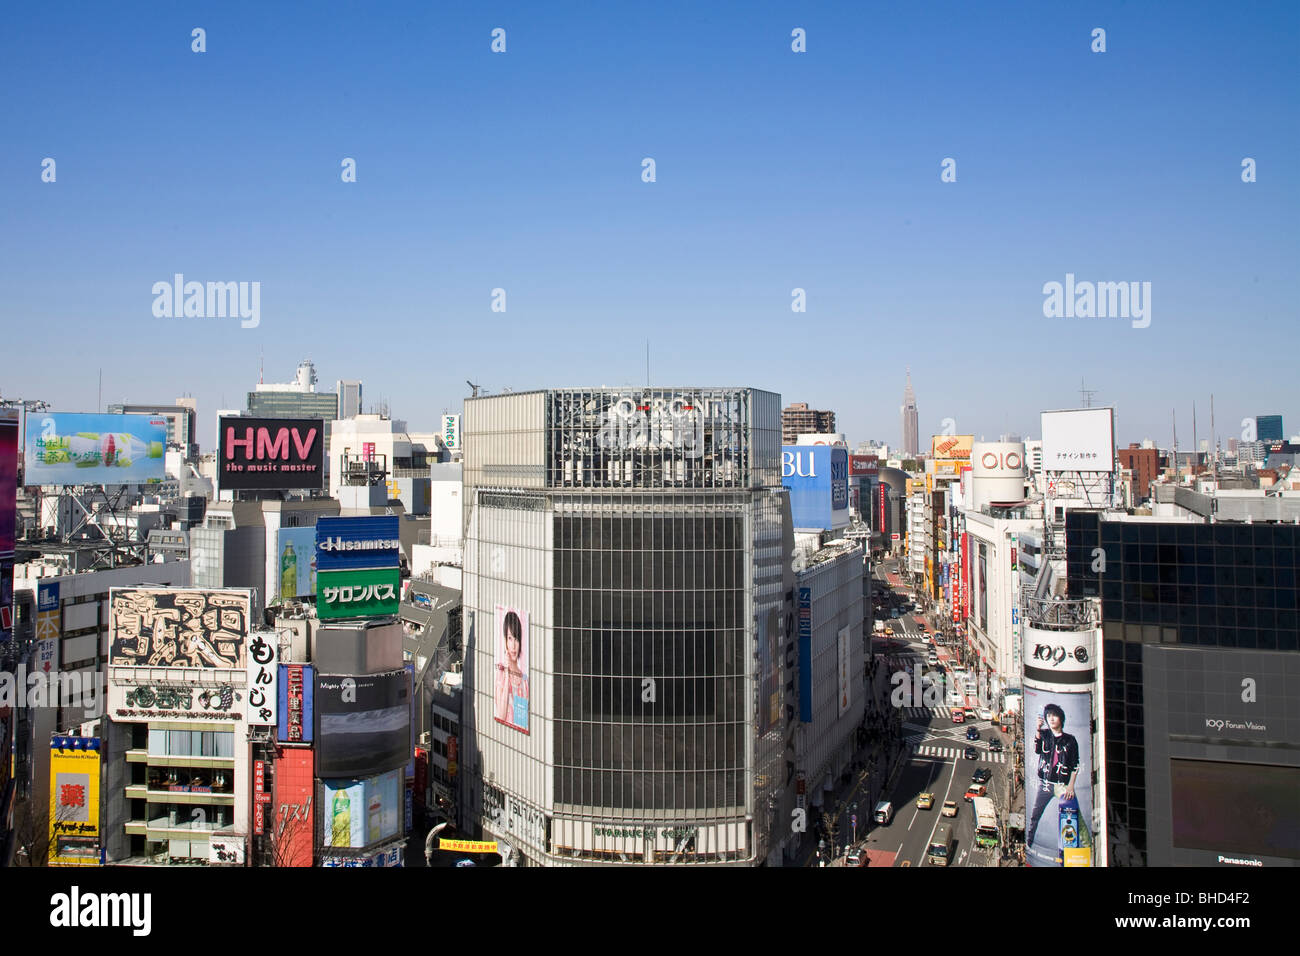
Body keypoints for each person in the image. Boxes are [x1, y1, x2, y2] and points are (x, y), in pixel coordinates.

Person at [1025, 703, 1080, 850]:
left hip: (1063, 785)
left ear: (1061, 718)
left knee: (1073, 816)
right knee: (1034, 815)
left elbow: (1075, 765)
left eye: (1054, 715)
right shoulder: (1044, 734)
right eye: (1048, 716)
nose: (1051, 719)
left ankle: (1073, 850)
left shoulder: (1070, 740)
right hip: (1046, 783)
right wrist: (1037, 729)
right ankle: (1029, 844)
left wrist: (1071, 786)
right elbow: (1037, 750)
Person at [494, 610, 529, 731]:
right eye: (510, 638)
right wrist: (508, 673)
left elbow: (522, 721)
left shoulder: (525, 680)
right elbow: (501, 715)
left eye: (516, 639)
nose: (513, 645)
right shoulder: (500, 672)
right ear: (505, 641)